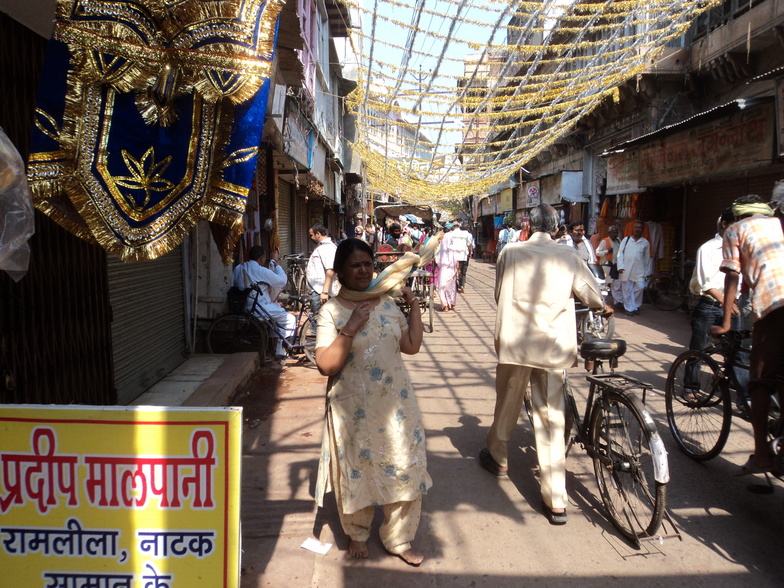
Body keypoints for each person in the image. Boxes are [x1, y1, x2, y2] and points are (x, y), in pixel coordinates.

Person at [479, 204, 610, 525]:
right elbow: (591, 294)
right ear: (556, 227)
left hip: (515, 342)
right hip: (552, 346)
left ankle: (498, 456)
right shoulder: (568, 256)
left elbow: (499, 294)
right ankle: (555, 501)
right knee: (551, 418)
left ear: (528, 225)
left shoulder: (510, 252)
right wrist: (603, 306)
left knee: (507, 401)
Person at [314, 238, 431, 566]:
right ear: (340, 272)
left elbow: (410, 346)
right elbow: (326, 365)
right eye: (355, 265)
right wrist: (350, 328)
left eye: (368, 263)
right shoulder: (331, 312)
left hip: (397, 405)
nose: (364, 270)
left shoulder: (388, 304)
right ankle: (358, 532)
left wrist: (415, 309)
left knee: (404, 467)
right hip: (353, 409)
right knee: (358, 469)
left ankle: (399, 537)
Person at [713, 191, 784, 476]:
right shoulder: (778, 224)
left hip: (774, 304)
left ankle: (762, 457)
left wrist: (727, 323)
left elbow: (733, 275)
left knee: (760, 382)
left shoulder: (735, 229)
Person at [232, 245, 296, 359]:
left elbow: (234, 284)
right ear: (262, 258)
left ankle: (275, 347)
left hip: (244, 306)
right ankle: (281, 351)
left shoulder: (239, 268)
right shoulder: (261, 271)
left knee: (276, 315)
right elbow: (282, 281)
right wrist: (276, 264)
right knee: (290, 319)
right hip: (259, 307)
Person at [616, 220, 651, 316]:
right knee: (626, 290)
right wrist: (620, 266)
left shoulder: (645, 242)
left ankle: (635, 305)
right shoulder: (626, 240)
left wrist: (647, 272)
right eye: (636, 227)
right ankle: (629, 308)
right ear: (633, 228)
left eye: (640, 228)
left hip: (639, 270)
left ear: (643, 230)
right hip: (626, 269)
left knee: (640, 287)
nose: (638, 229)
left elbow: (647, 258)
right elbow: (620, 254)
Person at [306, 223, 339, 313]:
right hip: (318, 291)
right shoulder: (322, 247)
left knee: (318, 322)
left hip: (321, 292)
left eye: (311, 235)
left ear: (318, 234)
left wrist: (325, 292)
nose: (310, 238)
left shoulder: (327, 248)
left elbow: (330, 270)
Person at [595, 225, 622, 305]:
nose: (615, 234)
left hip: (615, 266)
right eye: (613, 232)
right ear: (609, 233)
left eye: (616, 232)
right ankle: (602, 302)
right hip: (606, 266)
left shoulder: (618, 241)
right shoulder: (604, 241)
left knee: (616, 284)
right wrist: (607, 251)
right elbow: (597, 252)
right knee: (605, 285)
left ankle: (617, 302)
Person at [435, 227, 460, 312]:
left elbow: (437, 259)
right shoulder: (453, 248)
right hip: (451, 271)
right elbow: (457, 261)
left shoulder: (440, 248)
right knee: (451, 287)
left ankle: (445, 304)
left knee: (442, 287)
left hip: (443, 270)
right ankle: (450, 303)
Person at [452, 221, 475, 293]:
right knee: (463, 271)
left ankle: (455, 286)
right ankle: (462, 285)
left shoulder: (452, 233)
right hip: (464, 256)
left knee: (454, 271)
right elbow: (469, 245)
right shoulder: (468, 235)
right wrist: (470, 253)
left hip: (454, 256)